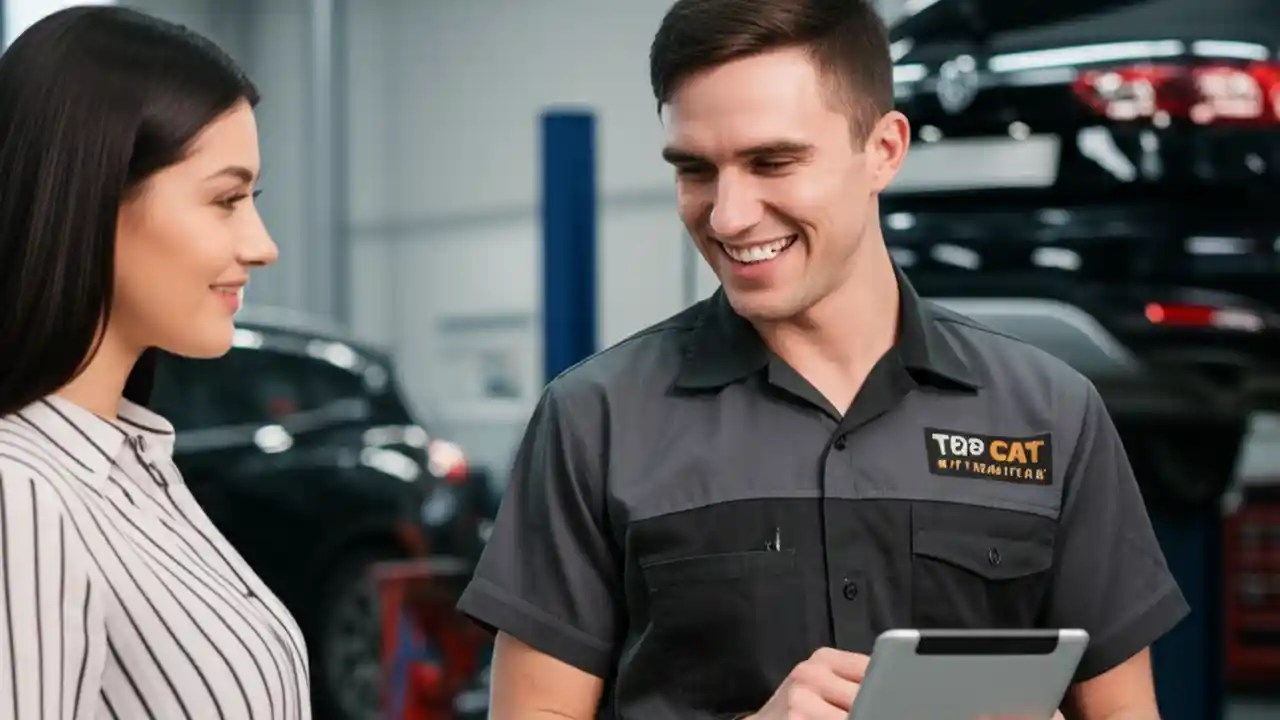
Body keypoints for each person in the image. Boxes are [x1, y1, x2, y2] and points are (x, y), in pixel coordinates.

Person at [458, 0, 1189, 718]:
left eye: (772, 161)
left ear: (884, 151)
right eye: (695, 170)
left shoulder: (1050, 413)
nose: (727, 215)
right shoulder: (597, 421)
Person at [0, 6, 311, 719]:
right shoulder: (20, 493)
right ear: (93, 198)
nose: (262, 244)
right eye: (226, 199)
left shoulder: (137, 464)